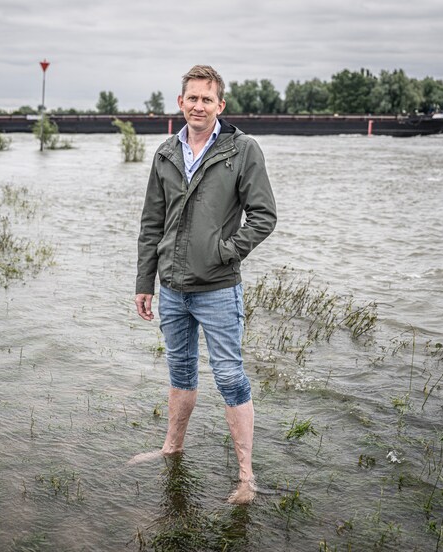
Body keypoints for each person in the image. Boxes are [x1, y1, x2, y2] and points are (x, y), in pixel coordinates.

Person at [132, 64, 277, 504]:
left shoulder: (242, 150)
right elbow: (151, 223)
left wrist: (224, 251)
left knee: (231, 378)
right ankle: (171, 448)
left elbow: (264, 216)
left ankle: (246, 478)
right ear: (180, 103)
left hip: (217, 288)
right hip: (173, 289)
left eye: (206, 99)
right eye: (191, 98)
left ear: (220, 105)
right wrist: (145, 282)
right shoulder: (165, 153)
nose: (198, 105)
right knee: (180, 372)